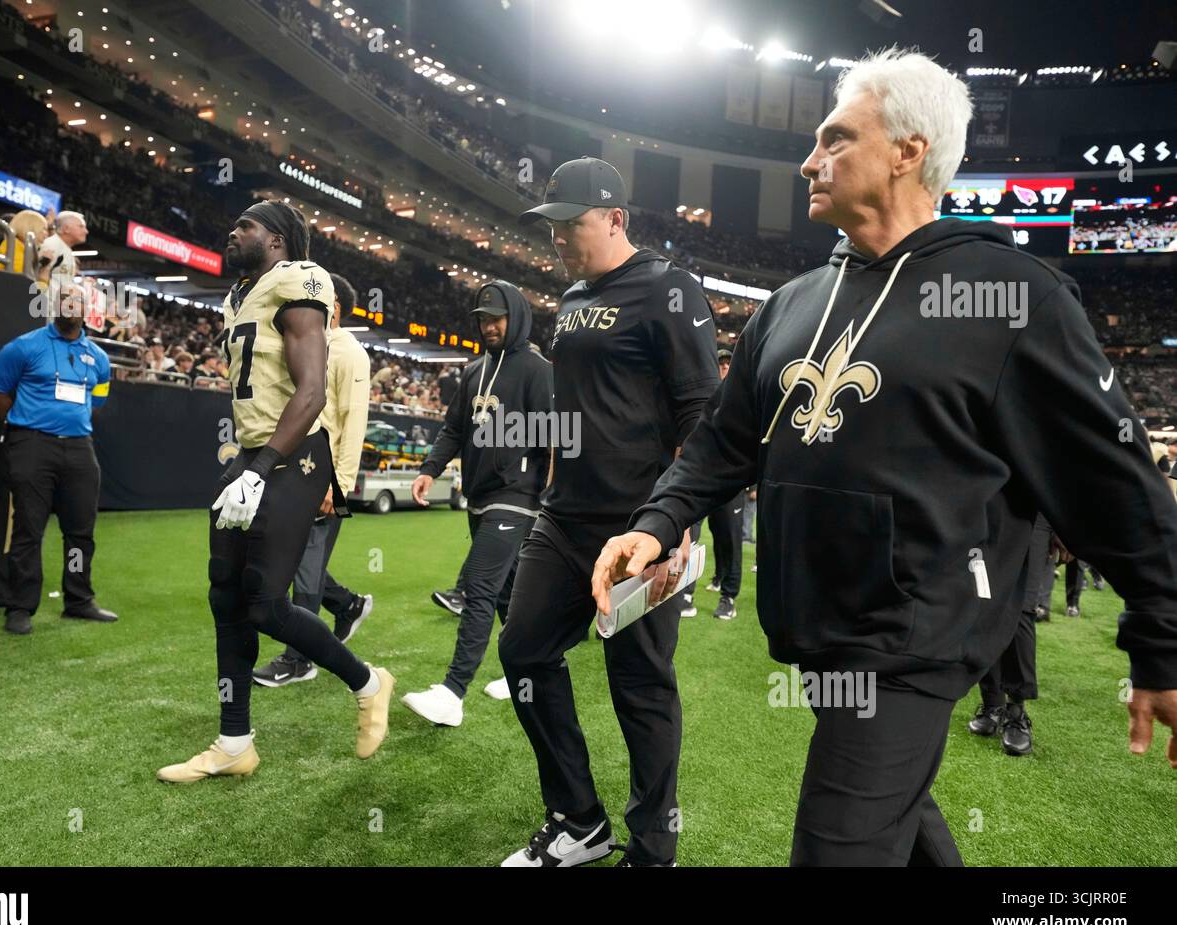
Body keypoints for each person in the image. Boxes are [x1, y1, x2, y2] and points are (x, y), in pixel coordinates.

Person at [593, 48, 1177, 866]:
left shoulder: (1010, 296)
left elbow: (1114, 478)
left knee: (837, 846)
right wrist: (657, 524)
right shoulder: (791, 304)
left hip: (919, 634)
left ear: (907, 149)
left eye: (834, 138)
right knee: (899, 824)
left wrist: (1163, 640)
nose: (808, 160)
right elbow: (725, 442)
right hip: (821, 625)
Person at [497, 158, 718, 867]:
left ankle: (653, 849)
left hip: (638, 529)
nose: (558, 236)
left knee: (639, 689)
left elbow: (700, 416)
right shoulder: (568, 298)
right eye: (552, 225)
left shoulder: (667, 289)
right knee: (524, 651)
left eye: (572, 222)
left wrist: (678, 526)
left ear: (615, 217)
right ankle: (580, 821)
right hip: (564, 521)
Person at [157, 201, 393, 783]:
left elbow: (311, 392)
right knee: (225, 596)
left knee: (265, 601)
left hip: (293, 454)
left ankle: (367, 682)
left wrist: (260, 469)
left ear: (279, 239)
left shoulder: (299, 278)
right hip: (252, 453)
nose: (231, 232)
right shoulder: (243, 294)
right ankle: (234, 742)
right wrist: (248, 463)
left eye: (246, 226)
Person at [403, 281, 553, 726]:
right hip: (480, 495)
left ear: (518, 317)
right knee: (507, 593)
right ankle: (526, 674)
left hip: (518, 497)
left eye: (497, 318)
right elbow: (453, 428)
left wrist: (547, 497)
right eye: (483, 319)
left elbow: (558, 438)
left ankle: (453, 692)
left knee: (479, 589)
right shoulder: (472, 371)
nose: (489, 326)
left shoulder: (537, 369)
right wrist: (429, 468)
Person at [252, 272, 376, 687]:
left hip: (322, 479)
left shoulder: (352, 354)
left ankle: (299, 659)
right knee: (292, 562)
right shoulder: (307, 345)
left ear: (335, 306)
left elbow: (353, 423)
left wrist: (337, 485)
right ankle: (347, 605)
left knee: (303, 570)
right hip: (292, 473)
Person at [0, 283, 115, 635]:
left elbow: (98, 399)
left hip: (79, 447)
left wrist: (72, 423)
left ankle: (78, 600)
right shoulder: (24, 347)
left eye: (77, 300)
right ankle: (20, 607)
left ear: (86, 309)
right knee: (29, 528)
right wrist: (22, 426)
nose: (70, 305)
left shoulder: (99, 358)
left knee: (81, 530)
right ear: (53, 306)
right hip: (31, 445)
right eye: (64, 300)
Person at [968, 514, 1055, 756]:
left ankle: (1016, 711)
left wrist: (1064, 525)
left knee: (1022, 610)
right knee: (985, 606)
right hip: (989, 506)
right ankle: (992, 704)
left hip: (1035, 514)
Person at [703, 349, 745, 621]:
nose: (725, 367)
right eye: (721, 363)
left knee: (731, 537)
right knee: (717, 531)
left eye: (729, 363)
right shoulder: (709, 394)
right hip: (707, 476)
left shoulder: (744, 394)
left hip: (733, 477)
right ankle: (719, 577)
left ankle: (729, 596)